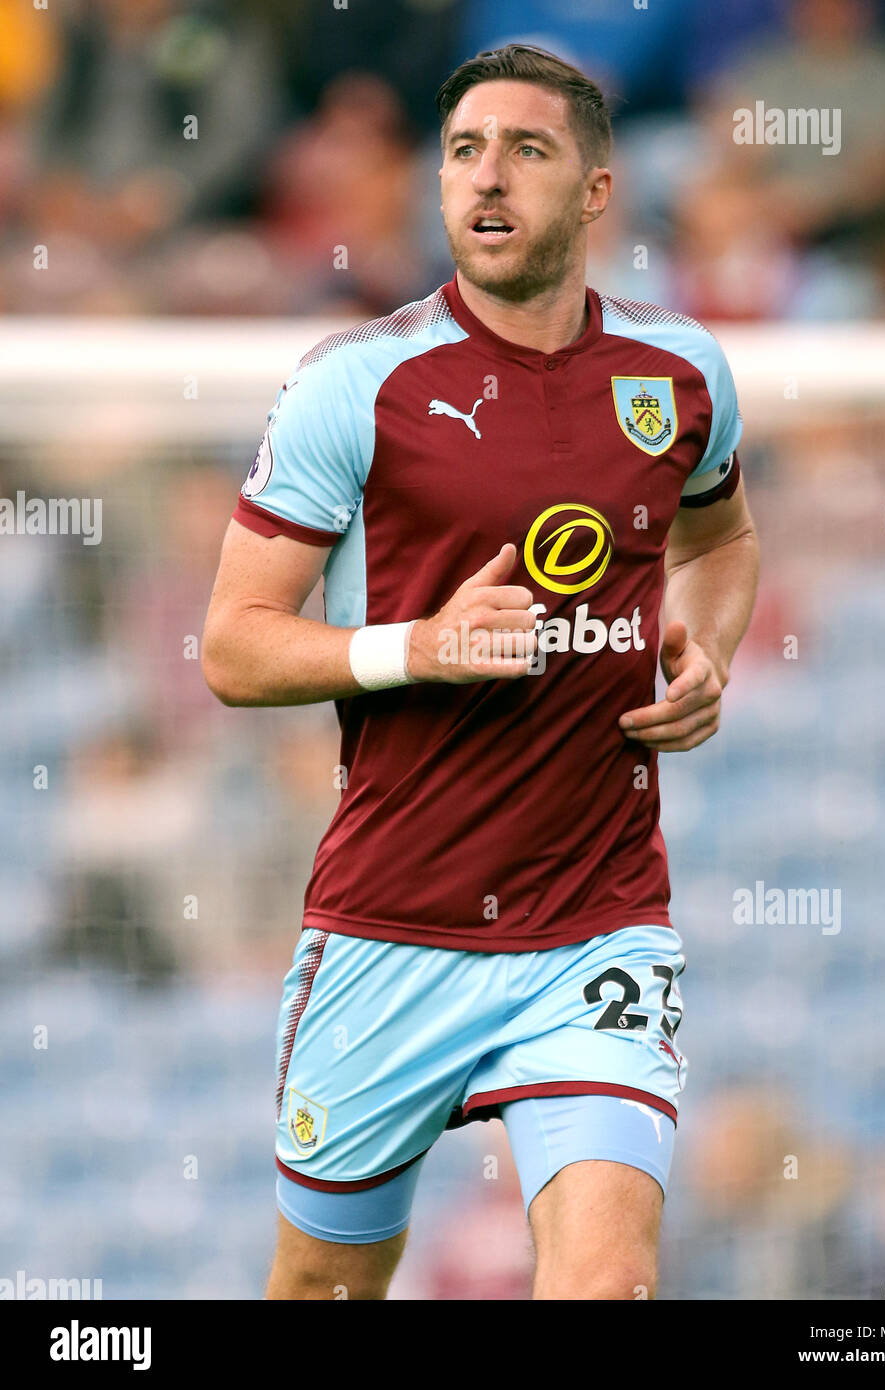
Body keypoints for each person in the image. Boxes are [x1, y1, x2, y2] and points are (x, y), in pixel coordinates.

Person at [202, 43, 759, 1301]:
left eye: (526, 149)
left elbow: (722, 540)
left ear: (598, 189)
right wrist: (417, 649)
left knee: (606, 1283)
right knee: (323, 1293)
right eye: (463, 151)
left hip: (596, 920)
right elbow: (232, 643)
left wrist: (706, 644)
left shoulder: (678, 377)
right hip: (391, 922)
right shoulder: (358, 383)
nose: (486, 178)